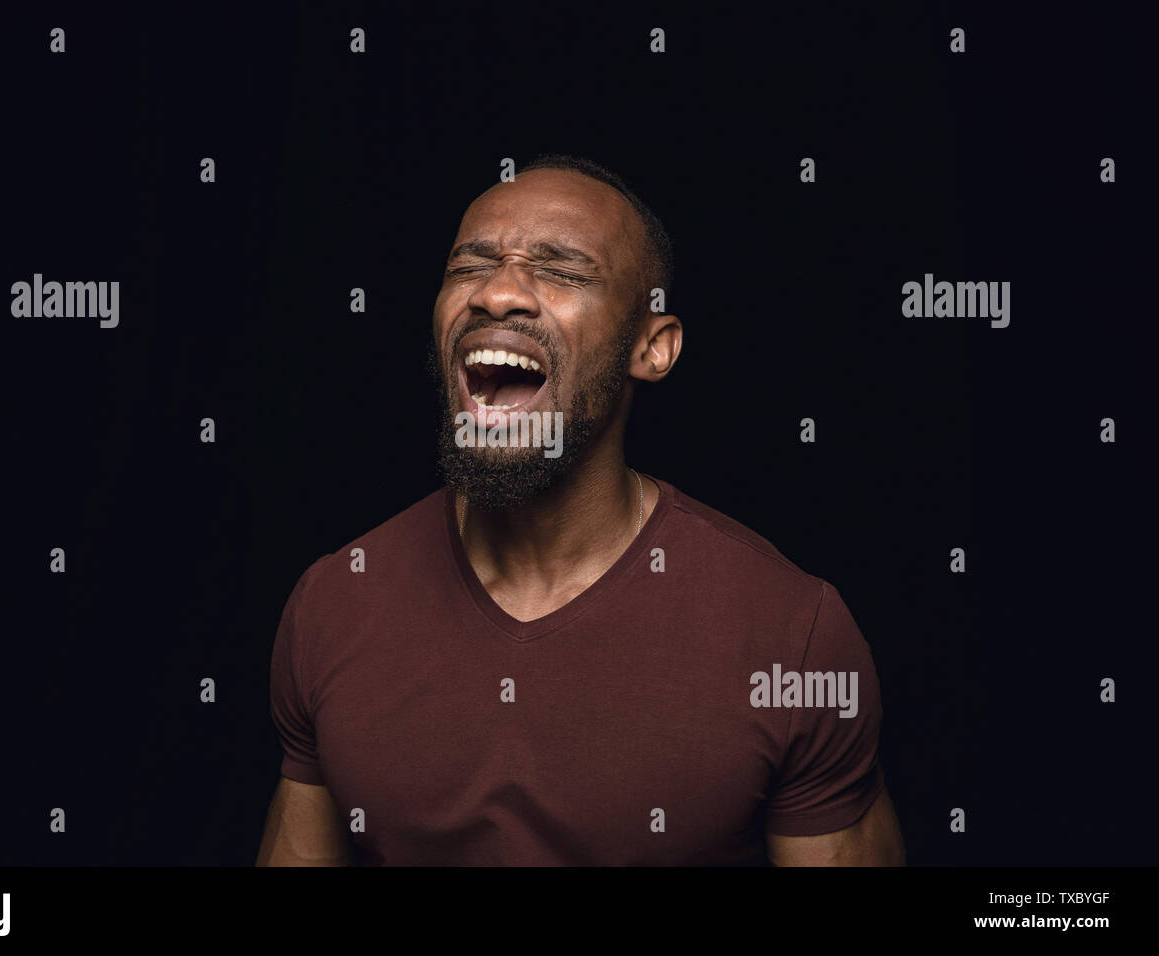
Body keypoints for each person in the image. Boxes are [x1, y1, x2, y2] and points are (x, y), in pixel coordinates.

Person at [257, 155, 905, 865]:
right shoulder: (335, 600)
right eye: (469, 267)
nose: (498, 294)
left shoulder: (793, 634)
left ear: (652, 348)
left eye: (561, 272)